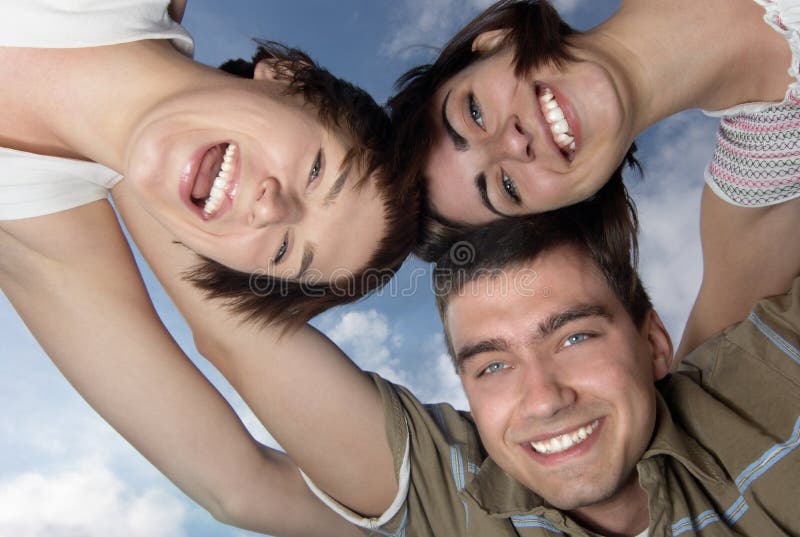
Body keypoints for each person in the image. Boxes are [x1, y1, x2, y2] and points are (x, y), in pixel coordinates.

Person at [117, 179, 799, 536]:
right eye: (492, 364)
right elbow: (235, 333)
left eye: (573, 336)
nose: (543, 396)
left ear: (652, 343)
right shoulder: (459, 503)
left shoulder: (767, 387)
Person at [0, 1, 416, 535]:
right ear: (288, 78)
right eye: (315, 172)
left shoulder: (41, 217)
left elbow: (237, 488)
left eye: (284, 252)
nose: (272, 208)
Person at [388, 0, 800, 360]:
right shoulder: (763, 174)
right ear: (566, 206)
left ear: (497, 41)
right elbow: (700, 399)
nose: (512, 142)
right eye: (507, 188)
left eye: (473, 112)